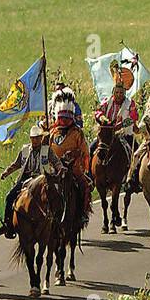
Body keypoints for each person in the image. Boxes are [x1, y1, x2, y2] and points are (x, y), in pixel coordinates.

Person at [0, 122, 63, 237]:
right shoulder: (25, 150)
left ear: (41, 138)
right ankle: (9, 225)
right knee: (9, 196)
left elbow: (56, 161)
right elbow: (16, 164)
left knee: (56, 196)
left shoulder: (46, 150)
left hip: (43, 179)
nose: (35, 141)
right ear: (30, 139)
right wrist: (7, 172)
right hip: (26, 178)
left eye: (37, 138)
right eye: (33, 138)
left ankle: (58, 223)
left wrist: (60, 168)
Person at [48, 89, 93, 228]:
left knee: (85, 186)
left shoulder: (77, 132)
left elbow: (85, 152)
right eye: (62, 118)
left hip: (73, 169)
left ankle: (82, 213)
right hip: (53, 169)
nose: (64, 120)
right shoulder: (52, 131)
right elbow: (46, 150)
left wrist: (75, 154)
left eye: (67, 118)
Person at [90, 82, 138, 157]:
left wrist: (120, 125)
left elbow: (133, 118)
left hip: (124, 134)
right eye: (117, 92)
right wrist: (102, 118)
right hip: (107, 133)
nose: (119, 95)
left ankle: (135, 168)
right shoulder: (107, 102)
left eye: (121, 92)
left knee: (136, 151)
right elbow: (98, 112)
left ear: (124, 93)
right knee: (91, 148)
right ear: (113, 92)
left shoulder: (130, 104)